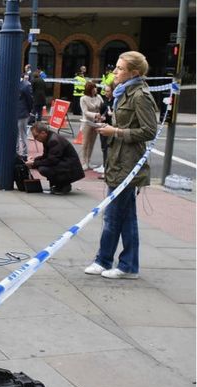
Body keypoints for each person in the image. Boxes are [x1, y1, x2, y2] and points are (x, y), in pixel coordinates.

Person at [86, 51, 157, 279]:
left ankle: (105, 260)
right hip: (118, 160)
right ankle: (127, 265)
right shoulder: (123, 92)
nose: (114, 72)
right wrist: (108, 123)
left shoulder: (140, 95)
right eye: (115, 67)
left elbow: (149, 131)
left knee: (113, 215)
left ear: (134, 72)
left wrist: (115, 131)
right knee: (125, 217)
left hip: (128, 163)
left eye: (120, 68)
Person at [27, 122, 85, 194]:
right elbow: (46, 156)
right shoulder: (48, 138)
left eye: (36, 136)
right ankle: (58, 185)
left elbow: (52, 160)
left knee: (43, 169)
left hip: (71, 169)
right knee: (41, 166)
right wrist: (34, 160)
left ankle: (63, 185)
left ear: (43, 133)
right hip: (65, 164)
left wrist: (34, 163)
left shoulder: (53, 140)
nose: (35, 139)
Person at [79, 81, 104, 170]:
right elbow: (85, 112)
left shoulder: (99, 97)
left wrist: (101, 115)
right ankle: (84, 162)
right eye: (93, 88)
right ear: (89, 89)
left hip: (96, 122)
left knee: (92, 143)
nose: (95, 89)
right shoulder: (83, 99)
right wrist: (95, 115)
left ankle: (89, 161)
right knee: (85, 143)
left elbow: (103, 107)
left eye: (95, 87)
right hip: (87, 122)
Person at [17, 76, 33, 160]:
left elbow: (30, 99)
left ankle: (24, 154)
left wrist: (28, 111)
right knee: (18, 134)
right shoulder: (24, 85)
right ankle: (17, 152)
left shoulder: (25, 85)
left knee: (22, 135)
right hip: (20, 112)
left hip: (22, 113)